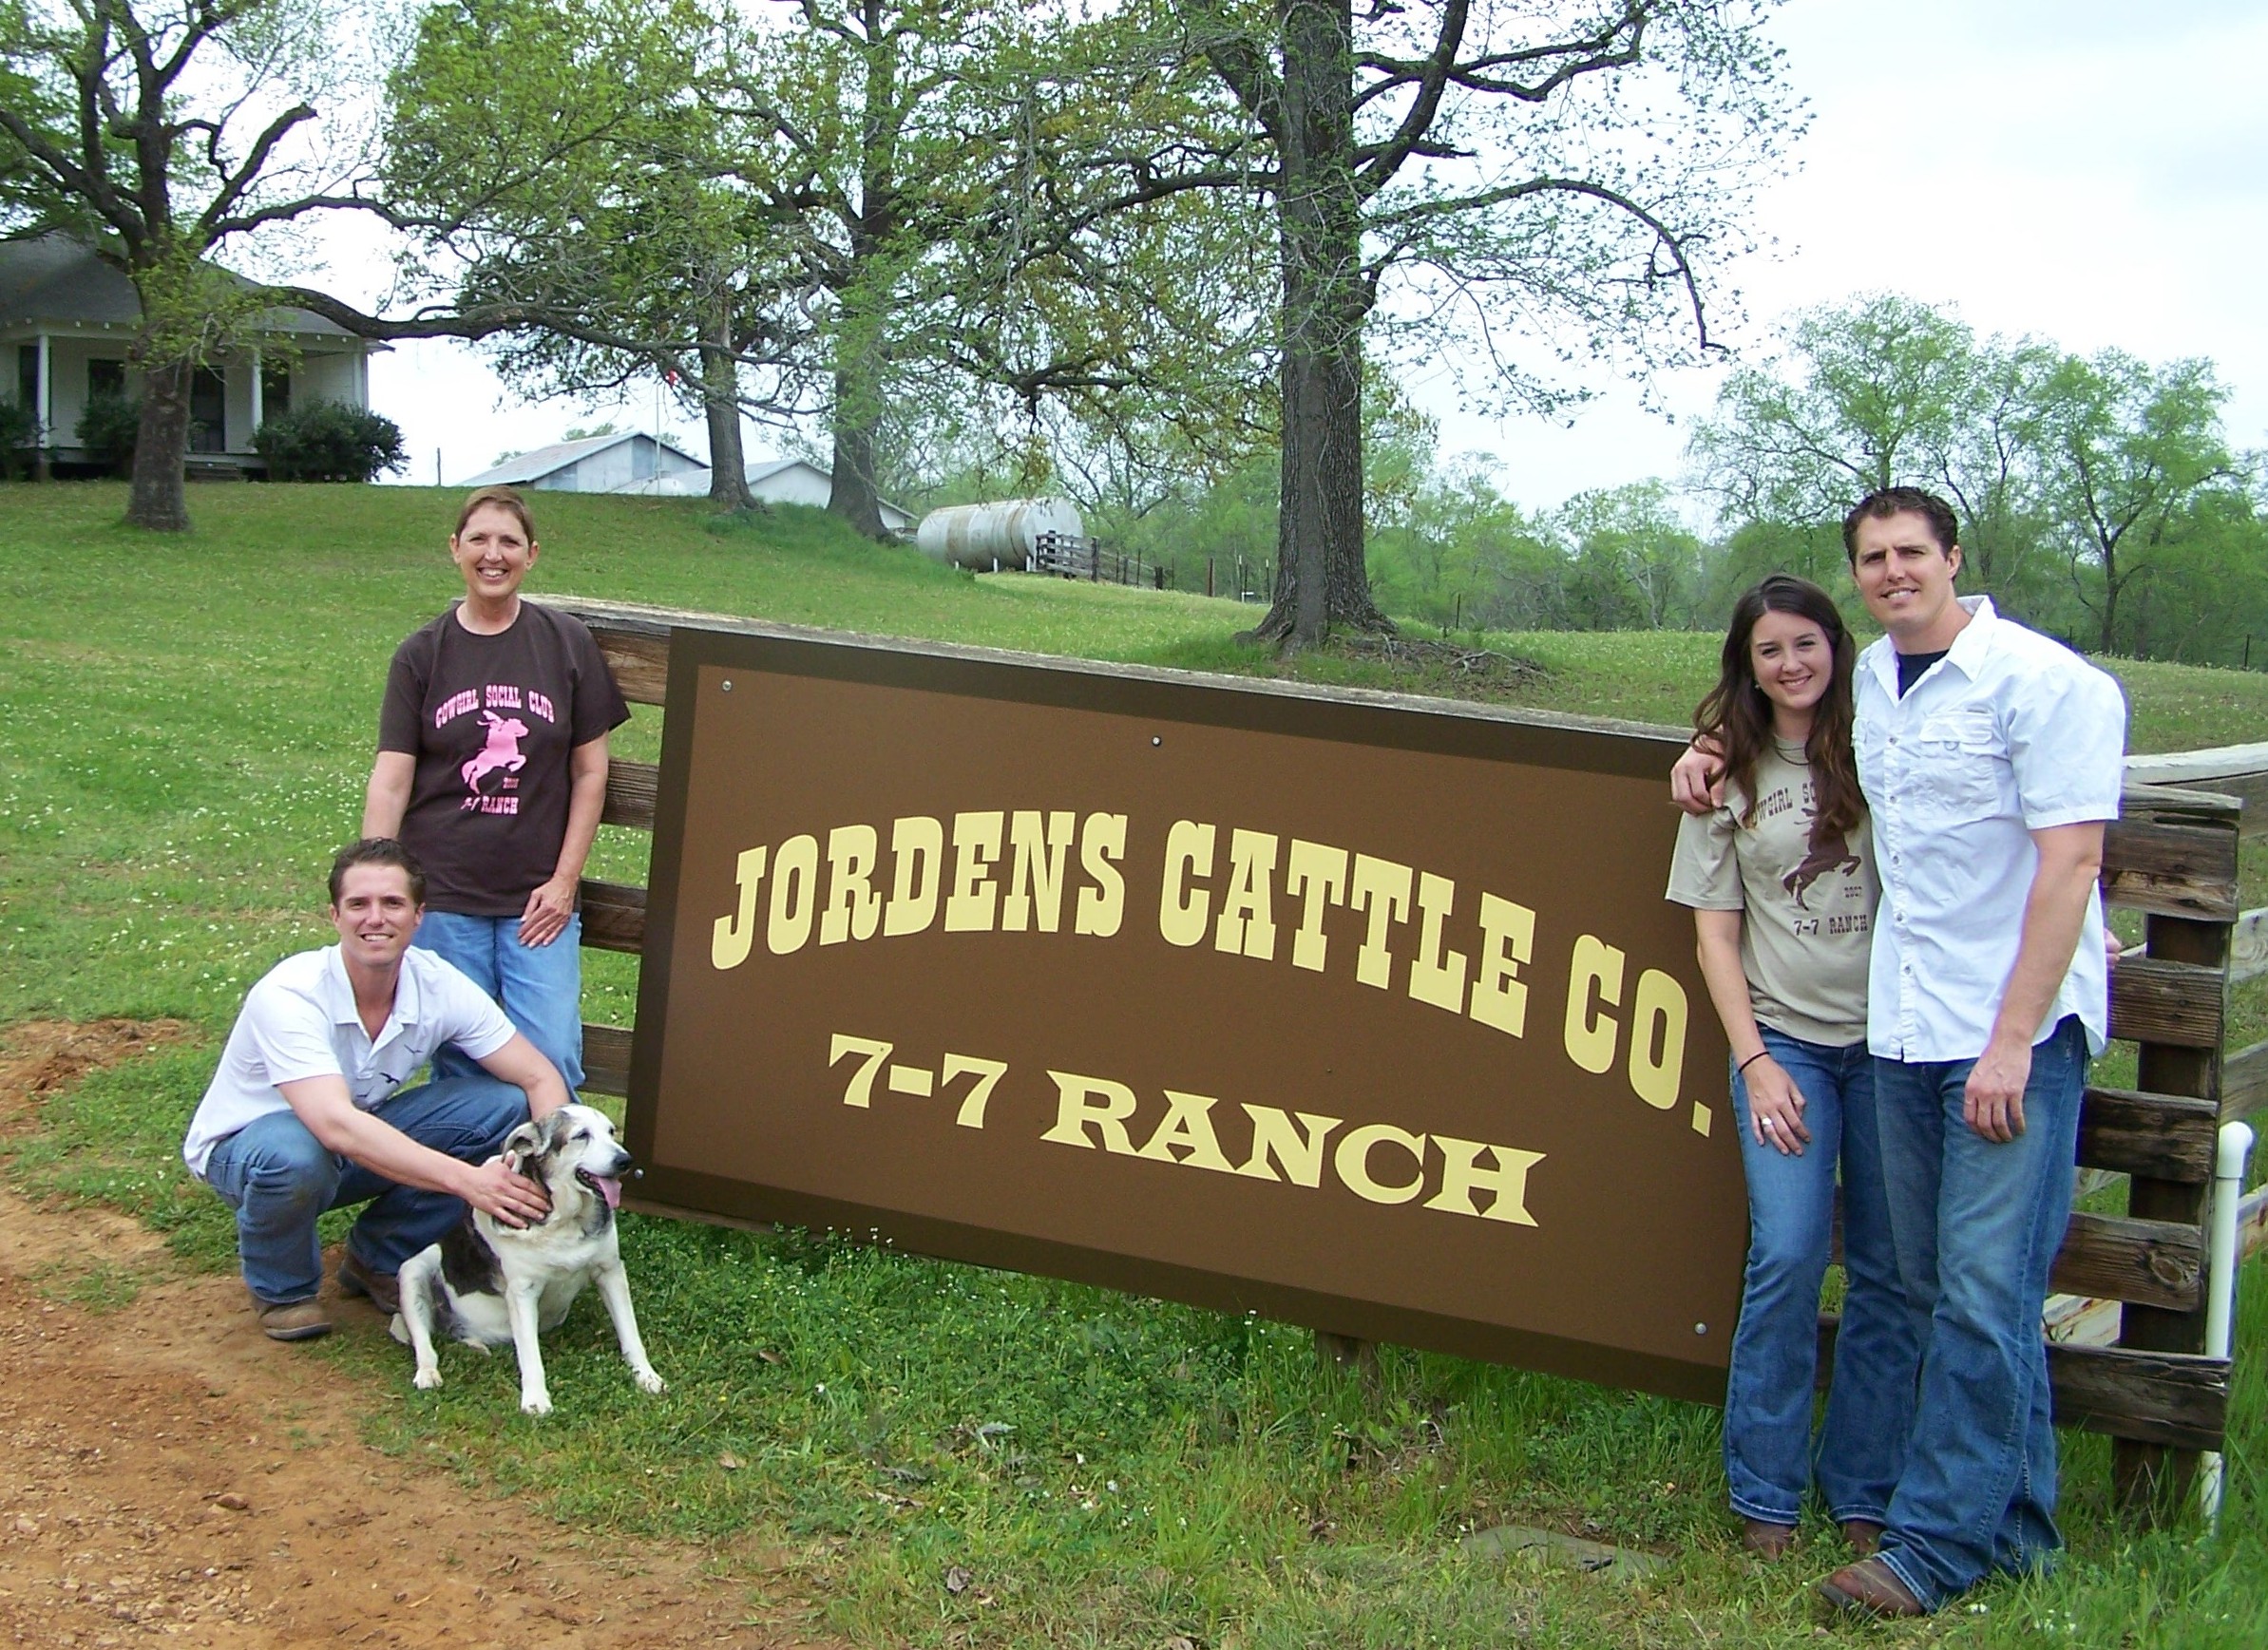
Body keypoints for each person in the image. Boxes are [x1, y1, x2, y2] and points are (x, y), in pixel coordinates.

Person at [1673, 487, 2125, 1617]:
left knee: (1975, 1289)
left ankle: (1929, 1545)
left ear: (1952, 556)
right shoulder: (1870, 682)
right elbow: (1775, 724)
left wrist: (2014, 1041)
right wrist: (1704, 745)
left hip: (2007, 1037)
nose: (1890, 572)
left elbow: (2068, 866)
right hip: (1904, 1033)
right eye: (1870, 557)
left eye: (1908, 552)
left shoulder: (2047, 684)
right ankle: (2019, 1536)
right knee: (1959, 1289)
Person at [1665, 575, 1917, 1563]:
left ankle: (1863, 1485)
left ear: (1834, 646)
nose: (1789, 664)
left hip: (1897, 1047)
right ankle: (1763, 1493)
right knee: (1786, 1255)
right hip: (1788, 1047)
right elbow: (1713, 940)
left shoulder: (1884, 743)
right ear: (1747, 662)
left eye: (1804, 643)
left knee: (1890, 1276)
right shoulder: (1720, 775)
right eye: (1768, 650)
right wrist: (1757, 1063)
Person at [183, 840, 563, 1341]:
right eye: (358, 904)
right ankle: (284, 1290)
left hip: (350, 1138)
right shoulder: (290, 993)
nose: (375, 919)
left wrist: (551, 1169)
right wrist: (469, 1182)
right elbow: (332, 1124)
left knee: (505, 1107)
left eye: (393, 904)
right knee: (295, 1156)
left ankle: (378, 1257)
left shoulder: (437, 983)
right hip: (252, 1148)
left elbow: (538, 1076)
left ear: (419, 916)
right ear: (334, 916)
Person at [362, 485, 629, 1092]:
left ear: (531, 555)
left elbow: (591, 773)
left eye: (509, 541)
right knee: (462, 1060)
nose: (493, 554)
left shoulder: (565, 644)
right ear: (455, 549)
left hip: (537, 901)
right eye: (479, 539)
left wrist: (564, 883)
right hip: (447, 894)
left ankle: (545, 1187)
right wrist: (378, 882)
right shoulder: (421, 655)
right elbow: (393, 775)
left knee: (553, 1052)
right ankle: (473, 1188)